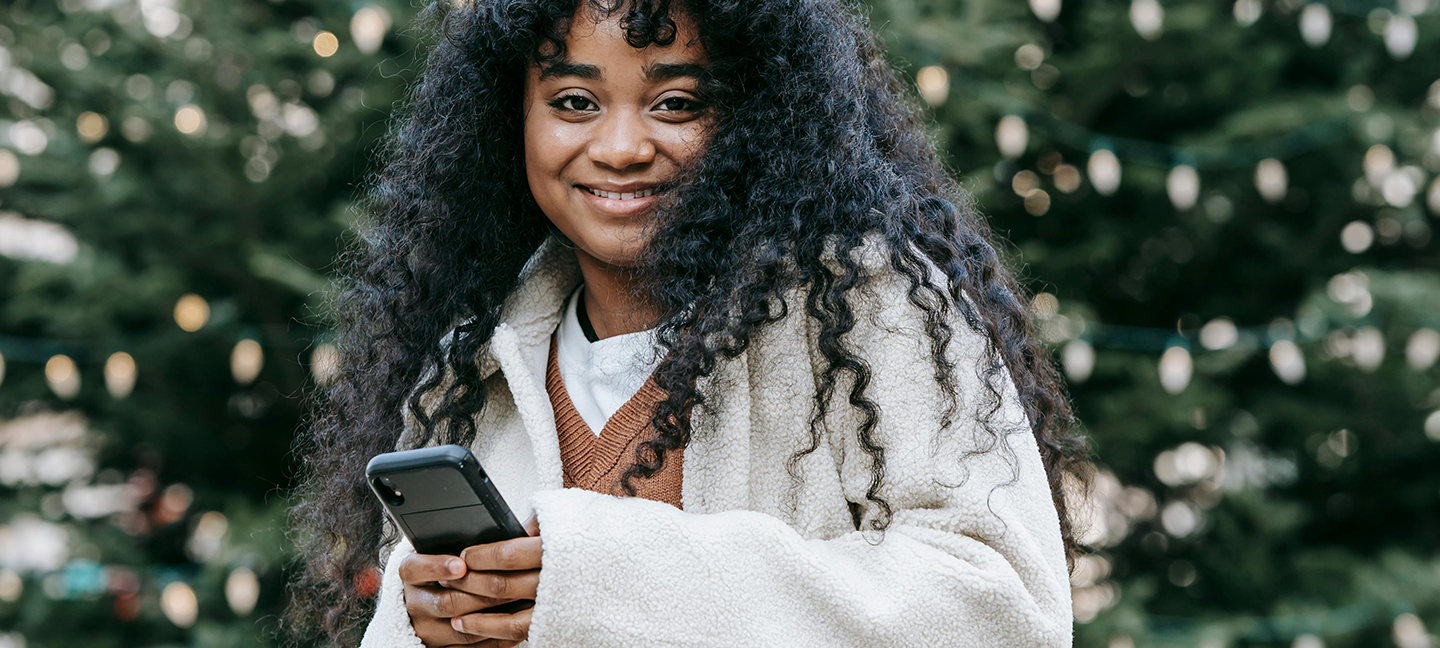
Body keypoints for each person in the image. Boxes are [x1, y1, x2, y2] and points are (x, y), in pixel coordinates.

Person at [288, 0, 1090, 646]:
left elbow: (1007, 610)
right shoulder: (475, 367)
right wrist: (425, 625)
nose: (622, 145)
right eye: (574, 101)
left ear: (757, 114)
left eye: (677, 102)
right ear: (512, 120)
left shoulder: (868, 305)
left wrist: (607, 578)